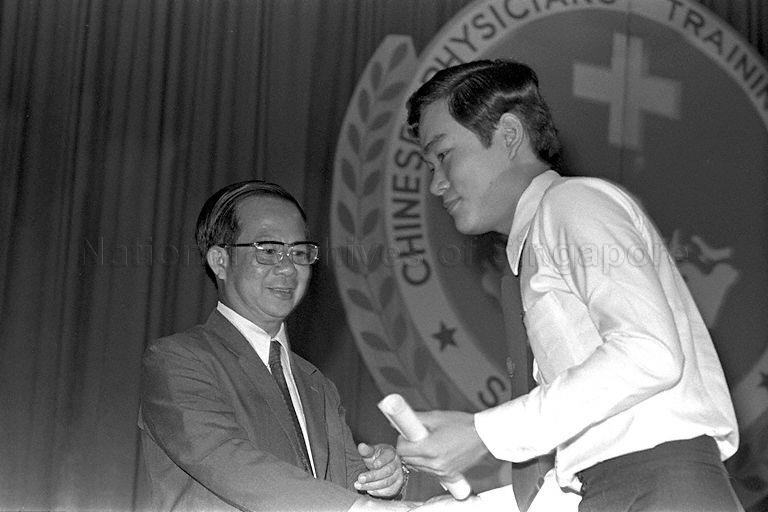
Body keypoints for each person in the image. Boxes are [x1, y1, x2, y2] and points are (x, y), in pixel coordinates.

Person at [397, 59, 744, 512]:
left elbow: (649, 352)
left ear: (508, 135)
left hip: (660, 488)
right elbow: (590, 449)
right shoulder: (532, 248)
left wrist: (485, 433)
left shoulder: (572, 203)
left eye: (443, 155)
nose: (436, 185)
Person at [138, 180, 412, 512]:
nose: (287, 267)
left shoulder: (317, 384)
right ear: (219, 260)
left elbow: (348, 490)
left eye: (299, 252)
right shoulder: (178, 361)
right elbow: (228, 462)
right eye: (268, 250)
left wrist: (383, 480)